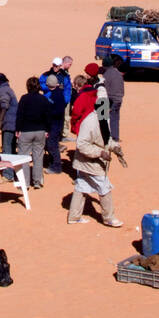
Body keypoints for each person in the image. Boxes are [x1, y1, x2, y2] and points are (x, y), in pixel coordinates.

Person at [67, 91, 123, 227]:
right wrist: (100, 153)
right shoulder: (90, 122)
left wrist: (115, 147)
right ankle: (109, 217)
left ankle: (74, 217)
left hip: (89, 162)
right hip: (89, 162)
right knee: (104, 186)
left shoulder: (103, 119)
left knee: (82, 186)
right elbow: (81, 144)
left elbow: (106, 138)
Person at [14, 77, 50, 189]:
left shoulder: (24, 99)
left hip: (26, 131)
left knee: (24, 157)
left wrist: (17, 129)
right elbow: (48, 116)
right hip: (40, 131)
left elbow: (19, 116)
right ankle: (37, 181)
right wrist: (47, 130)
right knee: (38, 157)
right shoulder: (43, 99)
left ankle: (24, 183)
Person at [42, 74, 67, 174]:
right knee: (50, 144)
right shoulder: (56, 93)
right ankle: (52, 163)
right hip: (54, 124)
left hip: (55, 124)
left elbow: (58, 111)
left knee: (52, 145)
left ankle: (56, 166)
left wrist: (48, 112)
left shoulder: (56, 95)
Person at [0, 73, 18, 154]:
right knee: (12, 147)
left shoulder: (2, 90)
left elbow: (5, 106)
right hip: (14, 123)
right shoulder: (7, 88)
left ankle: (8, 166)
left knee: (7, 148)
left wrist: (0, 121)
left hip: (9, 125)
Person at [101, 54, 125, 142]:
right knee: (115, 118)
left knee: (105, 117)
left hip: (111, 98)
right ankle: (115, 137)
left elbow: (105, 88)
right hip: (119, 98)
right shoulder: (118, 73)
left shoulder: (106, 74)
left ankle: (107, 137)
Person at [70, 69, 98, 136]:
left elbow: (76, 113)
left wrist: (73, 124)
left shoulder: (81, 96)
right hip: (95, 123)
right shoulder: (96, 92)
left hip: (83, 124)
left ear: (76, 85)